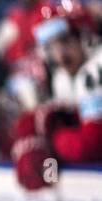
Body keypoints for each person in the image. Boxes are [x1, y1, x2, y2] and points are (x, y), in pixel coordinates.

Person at [10, 0, 102, 189]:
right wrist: (46, 162)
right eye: (52, 47)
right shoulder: (63, 79)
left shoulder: (94, 70)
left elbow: (90, 147)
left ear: (84, 37)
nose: (60, 55)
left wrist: (52, 138)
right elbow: (52, 169)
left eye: (66, 41)